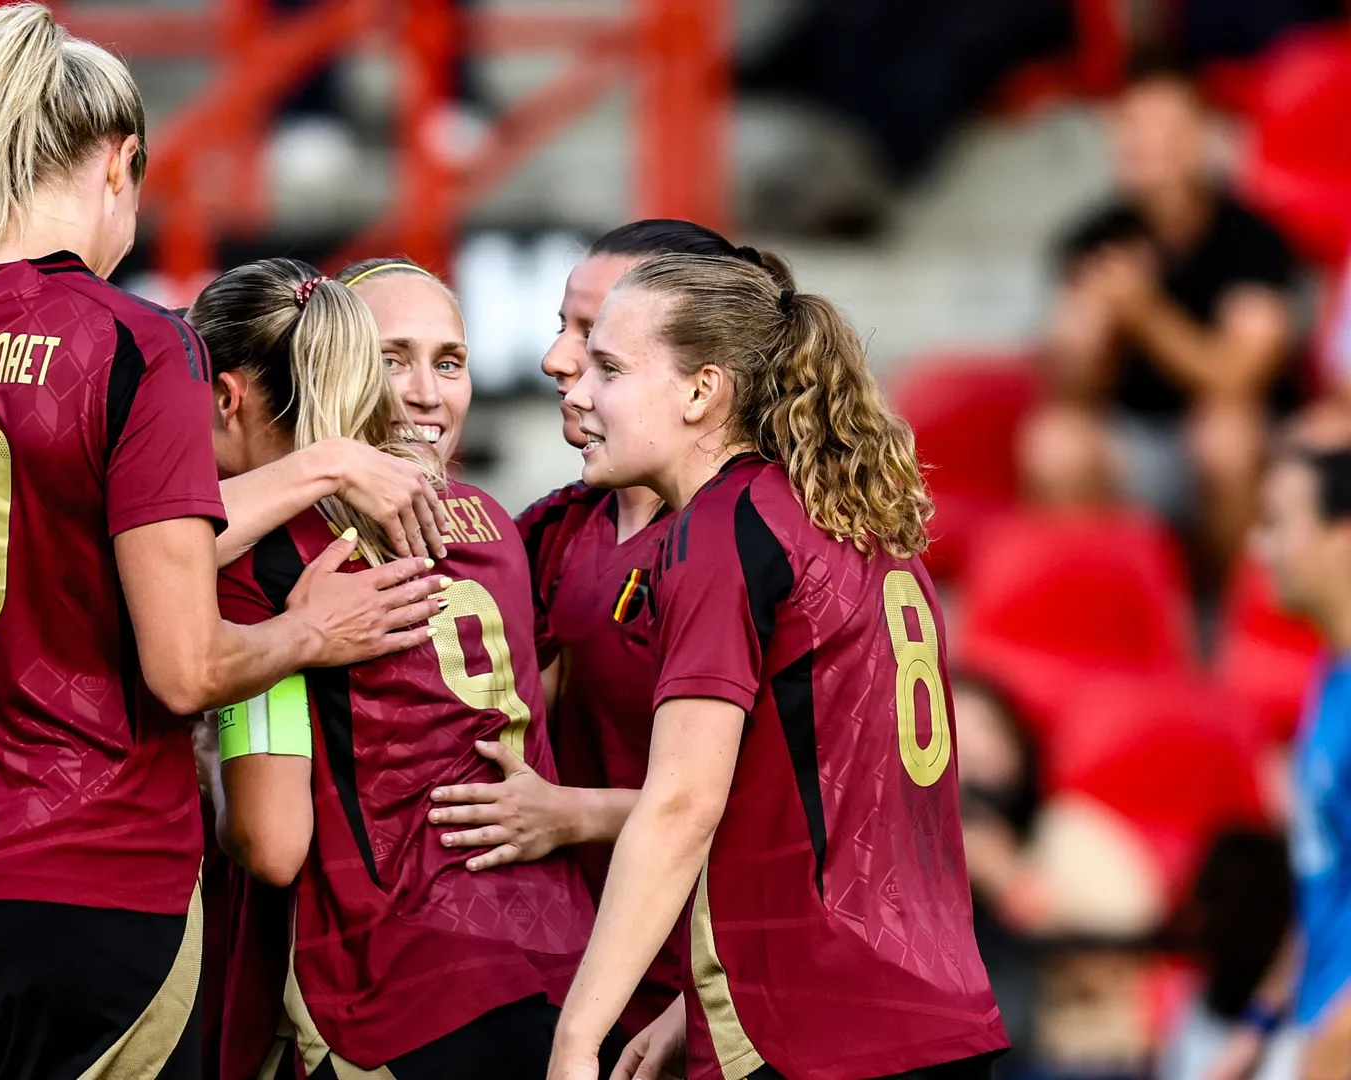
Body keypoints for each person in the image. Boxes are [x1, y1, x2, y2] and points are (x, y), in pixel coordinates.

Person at [0, 8, 445, 1078]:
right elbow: (188, 667)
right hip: (93, 899)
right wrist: (307, 633)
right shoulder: (135, 346)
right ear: (120, 165)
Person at [546, 252, 1008, 1080]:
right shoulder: (855, 518)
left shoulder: (723, 529)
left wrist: (580, 1034)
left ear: (702, 392)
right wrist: (695, 1009)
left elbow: (683, 802)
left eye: (609, 368)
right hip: (941, 1016)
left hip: (811, 1031)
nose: (578, 392)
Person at [197, 258, 605, 1080]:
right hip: (560, 970)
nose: (426, 393)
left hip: (395, 994)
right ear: (332, 366)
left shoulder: (280, 555)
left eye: (449, 362)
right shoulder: (493, 525)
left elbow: (271, 842)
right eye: (393, 359)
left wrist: (199, 761)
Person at [416, 220, 778, 1036]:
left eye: (595, 341)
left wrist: (573, 814)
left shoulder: (757, 535)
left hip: (728, 988)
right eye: (563, 327)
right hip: (586, 967)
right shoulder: (551, 531)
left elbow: (773, 796)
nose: (556, 360)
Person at [1020, 58, 1297, 581]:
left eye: (1162, 127)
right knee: (1056, 444)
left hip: (1239, 448)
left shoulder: (1255, 239)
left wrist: (1147, 315)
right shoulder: (1089, 239)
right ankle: (1099, 607)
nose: (1144, 143)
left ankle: (1236, 616)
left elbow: (1239, 377)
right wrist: (1085, 340)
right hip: (1133, 442)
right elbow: (1068, 395)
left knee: (1225, 437)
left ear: (1202, 137)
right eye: (1131, 126)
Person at [1204, 442, 1351, 1080]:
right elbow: (1327, 879)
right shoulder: (1330, 675)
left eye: (1277, 524)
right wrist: (1259, 1027)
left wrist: (1325, 1056)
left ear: (1343, 535)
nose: (1258, 551)